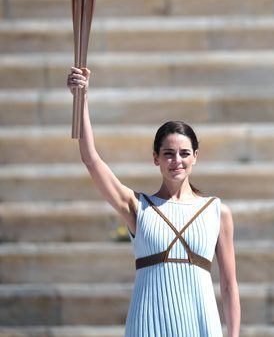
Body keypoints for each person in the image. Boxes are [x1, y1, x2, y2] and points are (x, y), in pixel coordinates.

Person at [67, 66, 241, 337]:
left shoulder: (217, 212)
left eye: (184, 153)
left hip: (200, 322)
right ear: (155, 158)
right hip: (148, 324)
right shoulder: (137, 206)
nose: (177, 161)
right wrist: (82, 98)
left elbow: (229, 285)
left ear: (196, 156)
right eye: (168, 153)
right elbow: (91, 159)